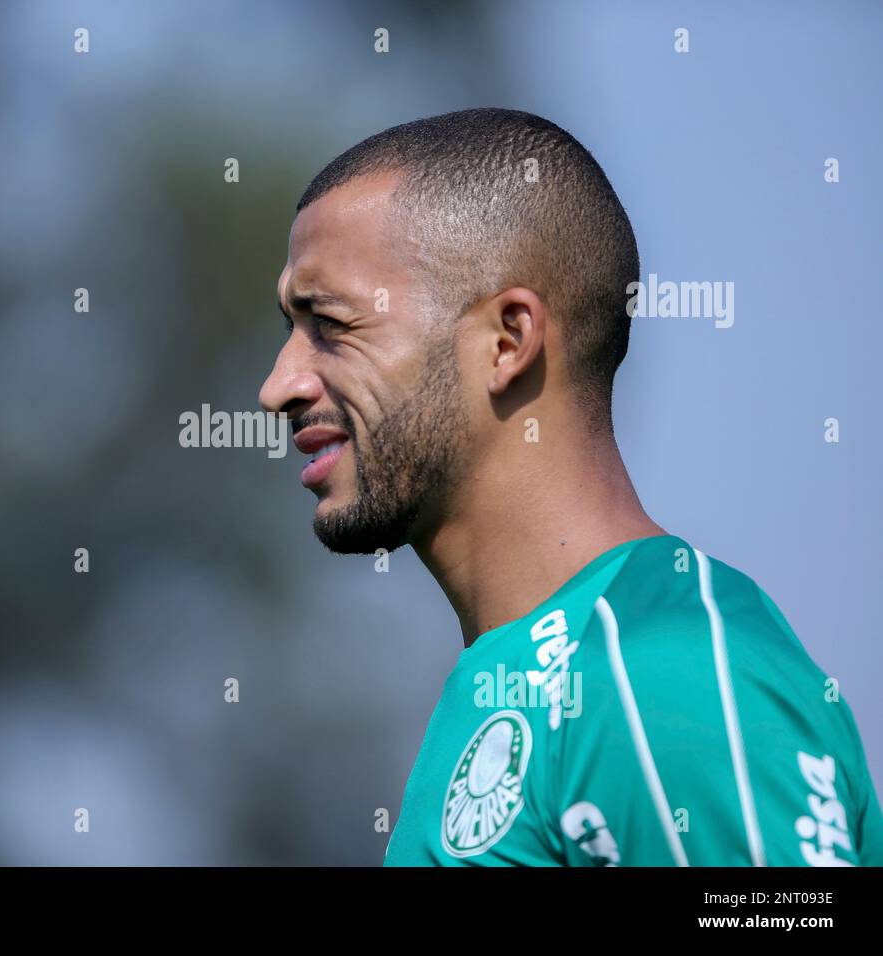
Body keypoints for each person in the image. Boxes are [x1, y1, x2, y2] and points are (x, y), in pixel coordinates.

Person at [259, 108, 881, 866]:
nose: (278, 386)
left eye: (329, 323)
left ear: (507, 340)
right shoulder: (510, 679)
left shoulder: (660, 673)